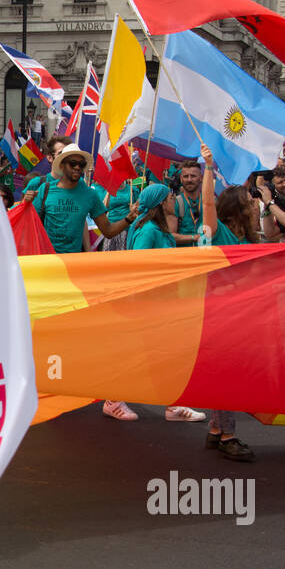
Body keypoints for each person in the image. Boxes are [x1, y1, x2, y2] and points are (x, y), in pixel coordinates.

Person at [103, 180, 205, 424]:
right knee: (137, 354)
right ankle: (112, 400)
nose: (174, 200)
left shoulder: (157, 230)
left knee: (166, 354)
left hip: (162, 303)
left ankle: (173, 405)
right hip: (148, 304)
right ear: (161, 203)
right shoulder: (148, 230)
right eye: (170, 197)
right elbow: (138, 265)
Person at [197, 143, 262, 460]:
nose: (254, 205)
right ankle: (228, 435)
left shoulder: (245, 236)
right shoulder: (216, 231)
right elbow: (207, 202)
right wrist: (208, 167)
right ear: (237, 208)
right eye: (249, 202)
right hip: (218, 315)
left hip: (238, 313)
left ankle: (215, 429)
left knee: (227, 374)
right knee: (228, 376)